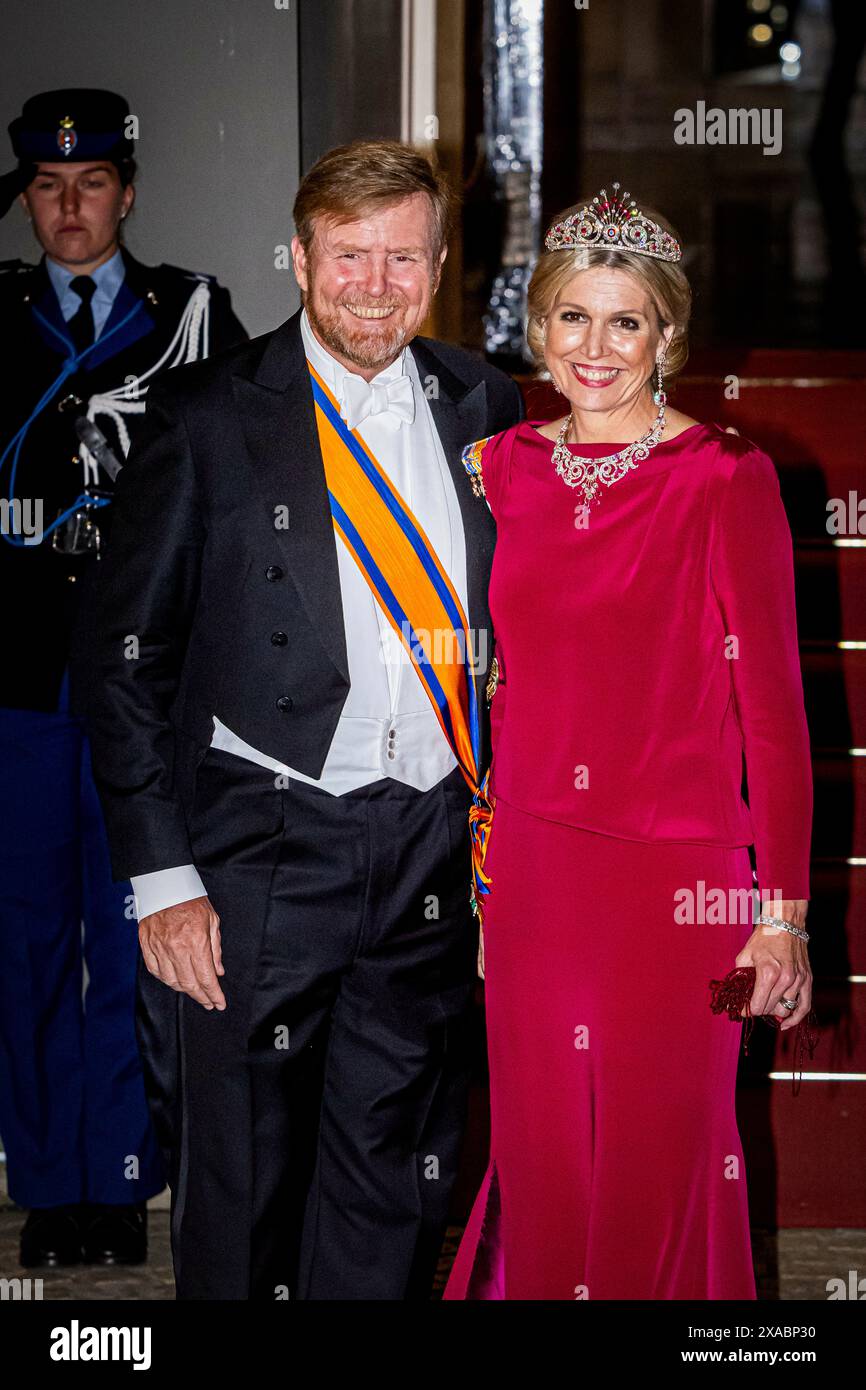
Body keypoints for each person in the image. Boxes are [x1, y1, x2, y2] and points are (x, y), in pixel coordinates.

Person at [84, 139, 524, 1300]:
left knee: (392, 1171)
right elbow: (122, 663)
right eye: (347, 257)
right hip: (256, 847)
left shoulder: (488, 405)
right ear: (296, 257)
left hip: (427, 843)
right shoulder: (201, 417)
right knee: (239, 1173)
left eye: (401, 259)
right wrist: (162, 881)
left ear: (438, 266)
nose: (374, 285)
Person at [444, 183, 814, 1300]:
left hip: (681, 883)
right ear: (537, 322)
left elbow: (775, 715)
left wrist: (780, 915)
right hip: (537, 874)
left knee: (663, 1159)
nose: (591, 347)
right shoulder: (497, 469)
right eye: (569, 315)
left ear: (665, 335)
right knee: (543, 1155)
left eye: (623, 321)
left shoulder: (722, 478)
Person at [0, 88, 246, 1270]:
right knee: (26, 937)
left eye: (90, 183)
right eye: (47, 188)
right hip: (17, 681)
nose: (69, 207)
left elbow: (233, 485)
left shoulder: (189, 313)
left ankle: (123, 1179)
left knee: (133, 924)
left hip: (147, 680)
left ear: (127, 190)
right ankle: (50, 1183)